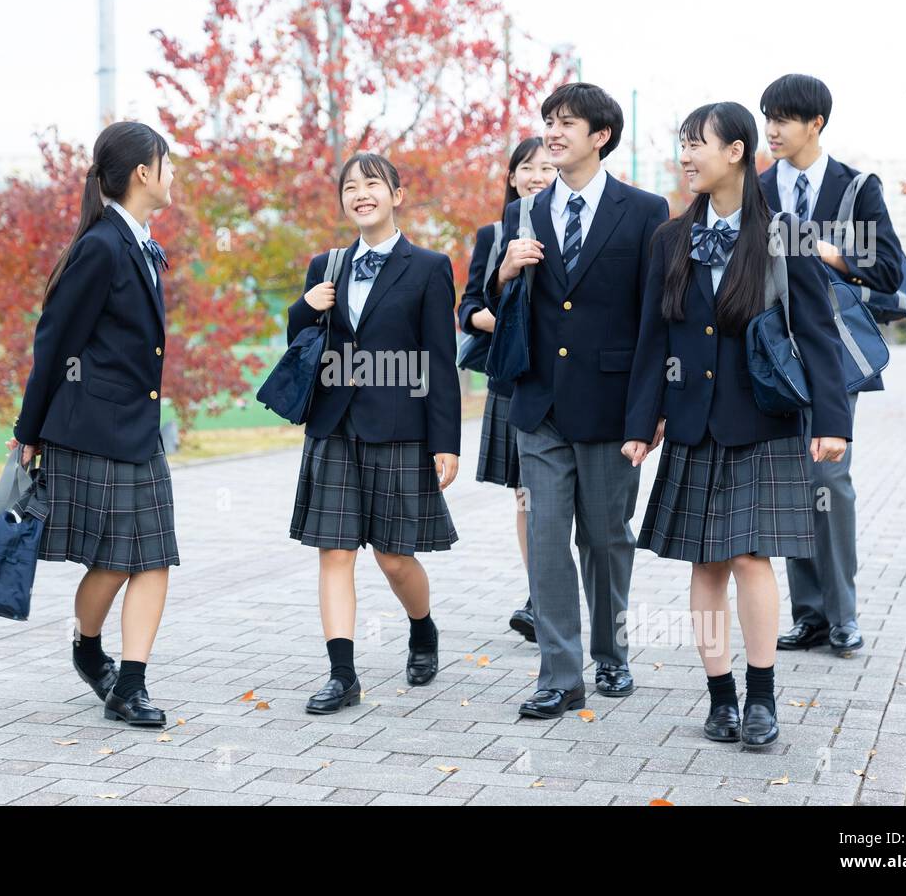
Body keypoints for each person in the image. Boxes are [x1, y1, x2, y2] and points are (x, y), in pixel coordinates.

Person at [622, 101, 852, 747]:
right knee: (706, 565)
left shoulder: (787, 231)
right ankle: (719, 697)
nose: (685, 155)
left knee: (753, 558)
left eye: (697, 143)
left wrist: (832, 421)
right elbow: (652, 338)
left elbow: (818, 331)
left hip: (765, 419)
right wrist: (642, 422)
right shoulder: (669, 237)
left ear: (736, 152)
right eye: (681, 143)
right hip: (693, 423)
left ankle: (762, 698)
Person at [486, 83, 669, 718]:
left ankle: (611, 653)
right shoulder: (523, 213)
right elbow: (492, 303)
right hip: (539, 405)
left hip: (614, 407)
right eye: (548, 122)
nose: (553, 133)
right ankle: (560, 674)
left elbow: (655, 320)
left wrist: (650, 413)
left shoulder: (646, 211)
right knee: (544, 537)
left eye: (567, 123)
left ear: (602, 136)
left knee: (607, 538)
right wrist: (504, 270)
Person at [8, 120, 179, 728]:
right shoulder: (102, 246)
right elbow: (53, 344)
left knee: (154, 556)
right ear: (142, 173)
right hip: (93, 431)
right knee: (112, 560)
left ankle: (128, 686)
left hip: (139, 430)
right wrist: (28, 432)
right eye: (167, 162)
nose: (172, 173)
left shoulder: (137, 242)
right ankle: (88, 648)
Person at [287, 152, 462, 715]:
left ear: (396, 195)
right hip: (334, 427)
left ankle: (422, 628)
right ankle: (342, 674)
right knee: (334, 553)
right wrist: (302, 306)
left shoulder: (430, 267)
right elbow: (302, 343)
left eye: (372, 184)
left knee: (393, 557)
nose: (360, 193)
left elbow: (439, 359)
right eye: (350, 187)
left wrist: (446, 441)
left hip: (399, 429)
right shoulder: (326, 265)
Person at [758, 73, 906, 656]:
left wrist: (829, 253)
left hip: (833, 352)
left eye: (783, 119)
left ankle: (842, 613)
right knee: (793, 482)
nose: (771, 129)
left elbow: (888, 269)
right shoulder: (758, 188)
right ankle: (810, 615)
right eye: (766, 117)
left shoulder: (855, 188)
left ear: (815, 123)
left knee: (827, 477)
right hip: (771, 353)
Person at [457, 136, 557, 642]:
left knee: (564, 498)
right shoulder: (494, 234)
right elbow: (468, 308)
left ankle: (554, 593)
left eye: (546, 167)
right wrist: (506, 313)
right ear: (513, 178)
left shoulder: (575, 229)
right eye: (527, 168)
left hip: (568, 379)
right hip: (515, 380)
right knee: (527, 497)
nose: (538, 175)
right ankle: (540, 596)